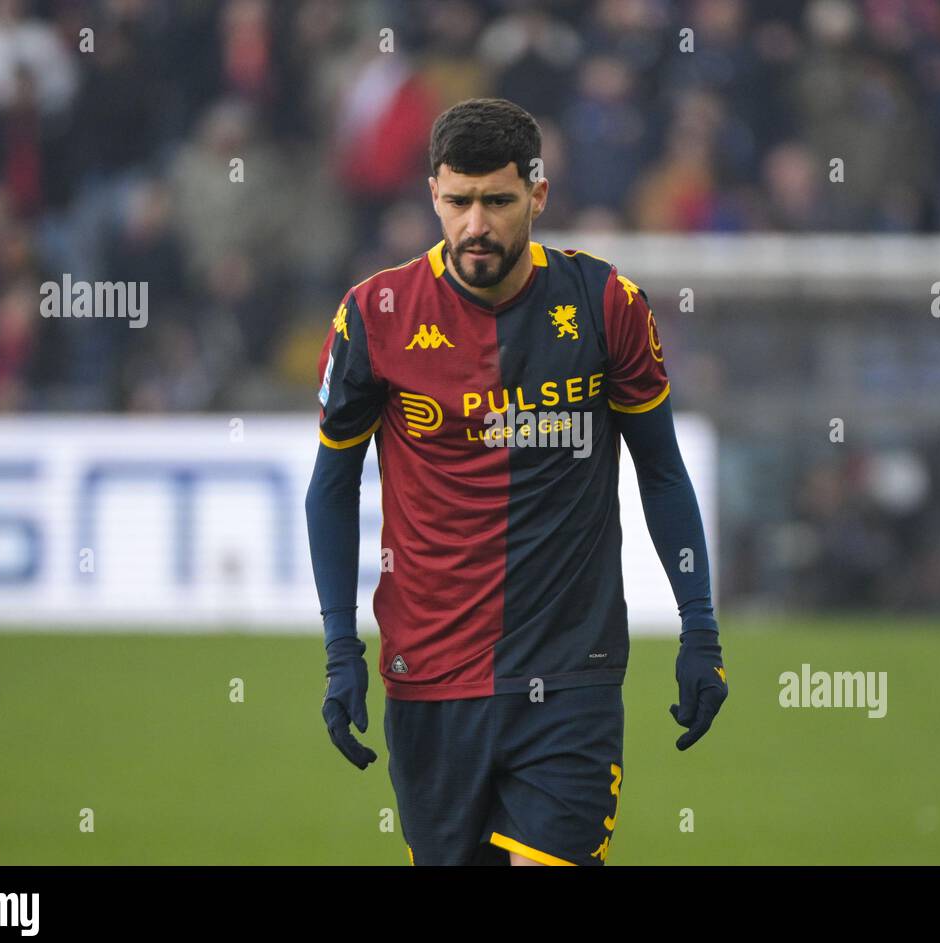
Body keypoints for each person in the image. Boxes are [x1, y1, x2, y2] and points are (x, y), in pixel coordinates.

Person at [305, 98, 727, 866]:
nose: (475, 225)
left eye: (497, 201)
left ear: (537, 195)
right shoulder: (375, 315)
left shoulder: (606, 305)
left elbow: (661, 473)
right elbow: (331, 487)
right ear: (432, 194)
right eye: (457, 201)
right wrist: (341, 649)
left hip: (571, 679)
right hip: (428, 681)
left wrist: (699, 625)